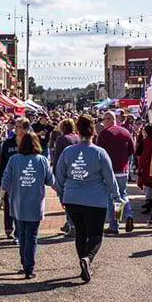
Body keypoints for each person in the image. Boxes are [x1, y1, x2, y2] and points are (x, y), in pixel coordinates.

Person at [55, 114, 119, 283]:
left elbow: (59, 175)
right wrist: (117, 197)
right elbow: (109, 178)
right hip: (95, 199)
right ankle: (88, 258)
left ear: (78, 130)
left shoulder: (68, 152)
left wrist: (61, 195)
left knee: (80, 233)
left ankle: (83, 262)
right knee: (96, 234)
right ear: (93, 133)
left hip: (72, 198)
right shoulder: (100, 153)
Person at [0, 132, 55, 279]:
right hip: (35, 204)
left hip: (17, 203)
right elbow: (51, 180)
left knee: (22, 234)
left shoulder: (14, 159)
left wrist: (1, 197)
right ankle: (28, 267)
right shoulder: (42, 160)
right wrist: (62, 193)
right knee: (32, 235)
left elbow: (6, 179)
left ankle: (24, 261)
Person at [97, 111, 135, 234]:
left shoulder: (103, 135)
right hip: (123, 170)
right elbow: (131, 150)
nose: (103, 123)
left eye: (103, 120)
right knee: (123, 194)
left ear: (108, 119)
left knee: (112, 197)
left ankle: (115, 224)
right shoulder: (126, 132)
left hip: (109, 171)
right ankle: (128, 214)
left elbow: (99, 155)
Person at [0, 117, 30, 243]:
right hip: (11, 182)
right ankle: (16, 233)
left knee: (25, 207)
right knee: (13, 207)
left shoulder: (31, 142)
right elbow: (2, 164)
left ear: (26, 129)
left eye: (19, 126)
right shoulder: (8, 143)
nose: (16, 128)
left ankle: (23, 231)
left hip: (27, 180)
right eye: (15, 126)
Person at [52, 118, 80, 237]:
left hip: (65, 171)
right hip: (77, 170)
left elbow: (58, 157)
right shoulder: (77, 137)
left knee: (65, 199)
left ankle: (71, 224)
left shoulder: (61, 139)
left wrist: (54, 174)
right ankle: (70, 223)